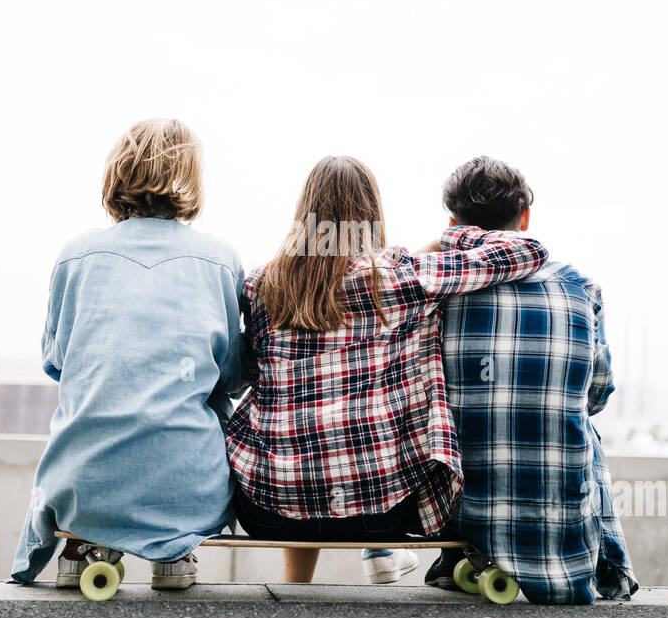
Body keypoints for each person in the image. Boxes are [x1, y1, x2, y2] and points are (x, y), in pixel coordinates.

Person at [224, 155, 549, 583]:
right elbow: (528, 252)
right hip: (382, 514)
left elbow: (247, 373)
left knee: (295, 411)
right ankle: (380, 552)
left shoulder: (259, 284)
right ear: (371, 216)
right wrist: (445, 238)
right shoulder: (400, 279)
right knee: (404, 360)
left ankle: (296, 584)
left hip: (267, 511)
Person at [9, 118, 245, 590]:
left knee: (86, 410)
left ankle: (80, 546)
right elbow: (234, 375)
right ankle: (176, 553)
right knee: (212, 407)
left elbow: (57, 362)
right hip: (187, 491)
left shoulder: (75, 255)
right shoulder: (220, 259)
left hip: (81, 488)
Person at [428, 156, 638, 603]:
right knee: (584, 424)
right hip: (564, 536)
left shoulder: (439, 290)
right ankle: (611, 568)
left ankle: (456, 559)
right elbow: (597, 393)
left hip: (461, 510)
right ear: (524, 218)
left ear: (452, 226)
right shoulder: (580, 287)